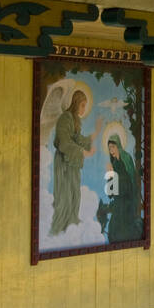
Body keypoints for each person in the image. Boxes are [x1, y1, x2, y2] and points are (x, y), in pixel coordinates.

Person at [50, 89, 93, 235]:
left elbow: (77, 139)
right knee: (65, 196)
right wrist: (82, 152)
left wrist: (92, 138)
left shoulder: (75, 119)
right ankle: (59, 227)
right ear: (75, 103)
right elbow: (64, 142)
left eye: (85, 106)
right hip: (63, 162)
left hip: (73, 164)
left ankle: (71, 223)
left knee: (75, 193)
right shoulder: (65, 118)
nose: (84, 109)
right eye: (82, 105)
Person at [99, 134, 142, 243]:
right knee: (114, 228)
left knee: (125, 226)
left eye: (113, 147)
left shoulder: (126, 158)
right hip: (119, 201)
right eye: (109, 148)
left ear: (118, 145)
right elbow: (111, 192)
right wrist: (109, 174)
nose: (111, 150)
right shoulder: (114, 164)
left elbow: (130, 180)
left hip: (128, 200)